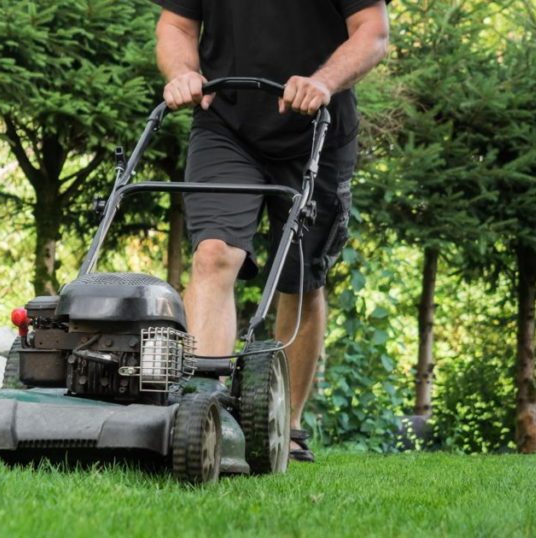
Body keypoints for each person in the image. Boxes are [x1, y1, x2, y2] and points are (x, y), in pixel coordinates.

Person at [154, 0, 390, 462]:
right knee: (213, 253)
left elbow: (372, 31)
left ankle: (288, 423)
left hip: (317, 125)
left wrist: (322, 81)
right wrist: (183, 71)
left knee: (301, 280)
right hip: (226, 123)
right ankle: (205, 414)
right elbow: (176, 25)